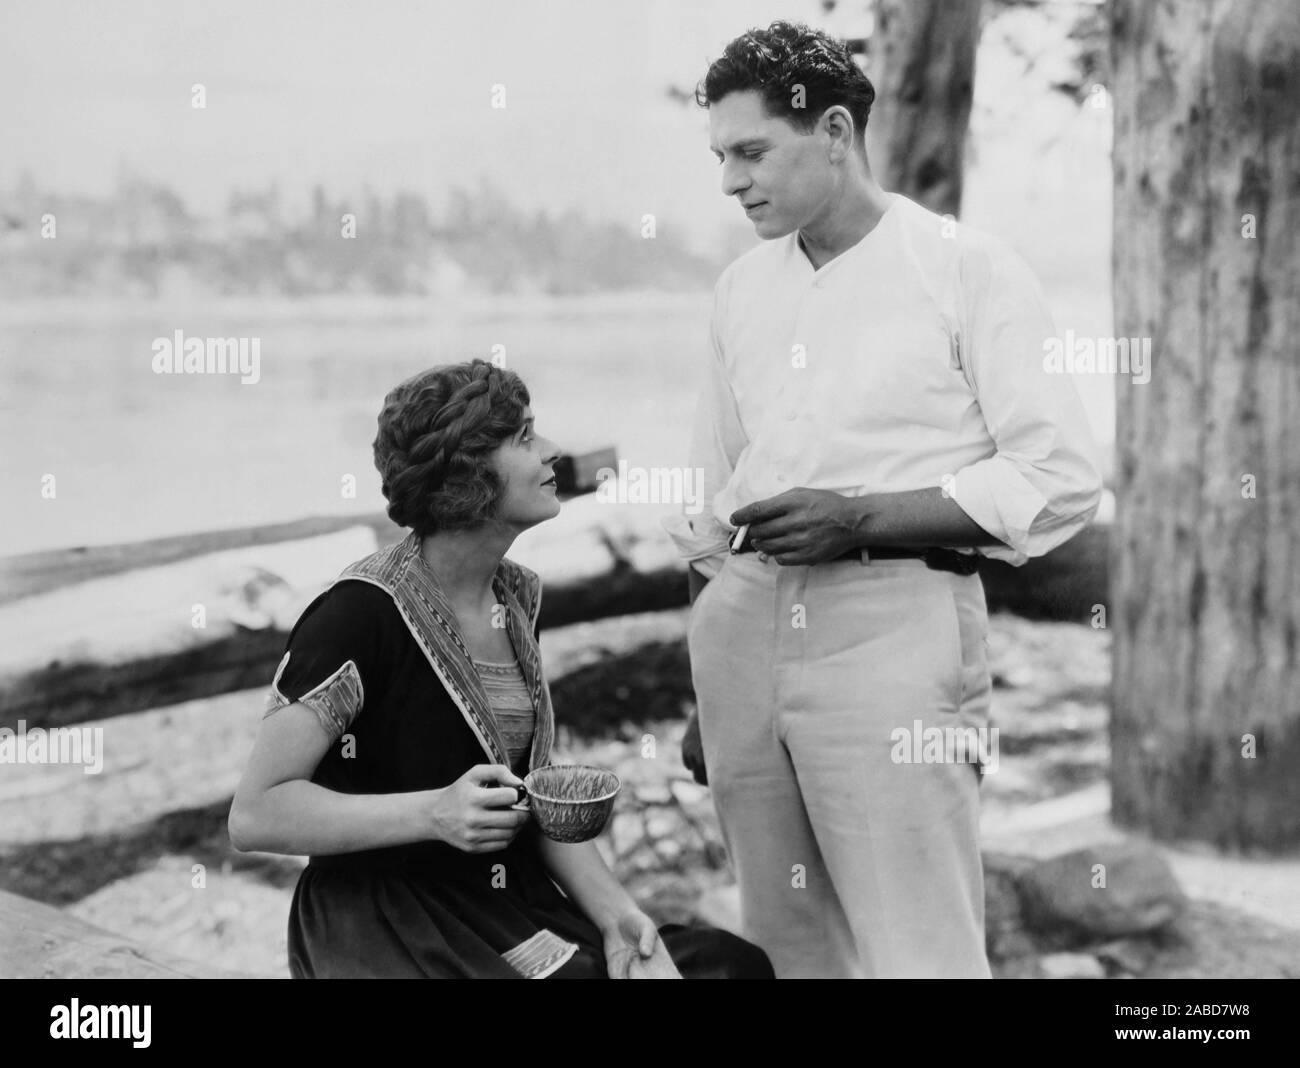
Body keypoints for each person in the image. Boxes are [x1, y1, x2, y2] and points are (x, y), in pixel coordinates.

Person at [663, 22, 1103, 978]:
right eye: (720, 158)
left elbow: (1060, 476)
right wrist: (713, 682)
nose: (732, 182)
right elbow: (712, 493)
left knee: (921, 944)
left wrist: (859, 516)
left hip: (895, 624)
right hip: (740, 625)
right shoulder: (741, 290)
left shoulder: (963, 268)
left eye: (751, 152)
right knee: (781, 942)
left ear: (832, 130)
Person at [230, 359, 772, 979]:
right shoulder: (359, 614)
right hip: (384, 920)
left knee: (727, 967)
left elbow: (530, 801)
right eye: (524, 438)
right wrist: (430, 813)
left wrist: (619, 917)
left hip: (503, 901)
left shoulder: (513, 599)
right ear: (467, 475)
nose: (553, 452)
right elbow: (255, 813)